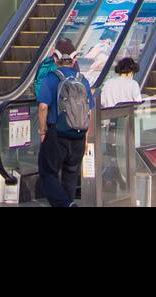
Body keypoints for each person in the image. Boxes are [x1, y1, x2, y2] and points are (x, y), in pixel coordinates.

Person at [36, 37, 95, 207]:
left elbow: (42, 107)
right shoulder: (82, 80)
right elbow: (89, 111)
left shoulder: (52, 77)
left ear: (56, 59)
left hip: (57, 133)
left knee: (48, 172)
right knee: (71, 173)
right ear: (74, 59)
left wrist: (42, 131)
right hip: (78, 134)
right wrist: (85, 138)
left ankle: (66, 205)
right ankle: (68, 202)